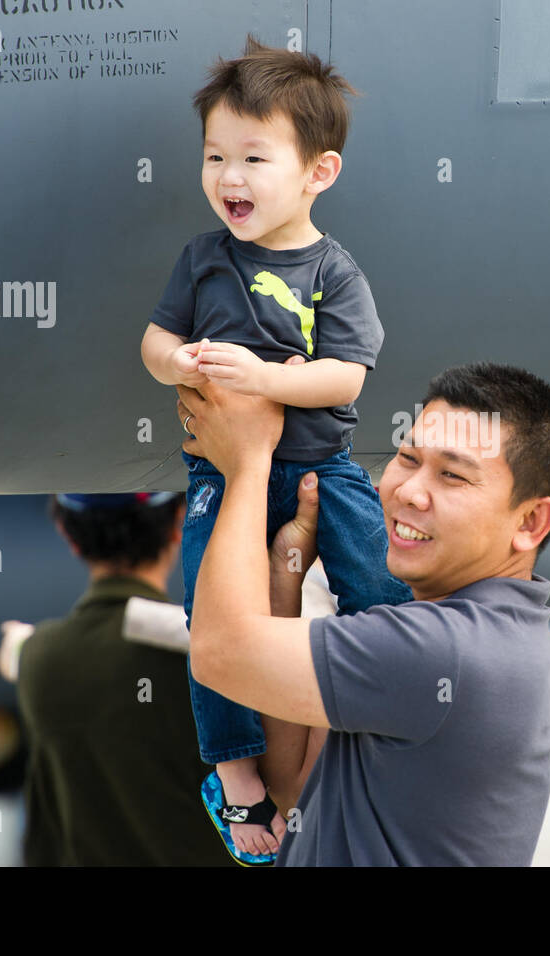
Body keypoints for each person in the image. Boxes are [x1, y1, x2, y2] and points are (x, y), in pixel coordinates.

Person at [138, 35, 411, 864]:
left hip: (324, 465)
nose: (229, 178)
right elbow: (153, 340)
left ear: (317, 173)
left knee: (377, 582)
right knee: (211, 617)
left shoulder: (335, 271)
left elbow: (346, 380)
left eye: (254, 158)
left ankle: (388, 708)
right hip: (221, 472)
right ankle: (235, 772)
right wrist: (173, 362)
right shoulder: (203, 259)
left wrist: (261, 381)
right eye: (215, 156)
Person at [175, 361, 550, 865]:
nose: (409, 490)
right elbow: (292, 790)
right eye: (408, 458)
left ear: (530, 521)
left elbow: (219, 653)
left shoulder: (441, 650)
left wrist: (246, 465)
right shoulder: (486, 633)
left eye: (453, 475)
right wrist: (287, 575)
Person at [0, 492, 230, 866]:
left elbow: (20, 652)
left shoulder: (39, 657)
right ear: (178, 523)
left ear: (68, 535)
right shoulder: (207, 654)